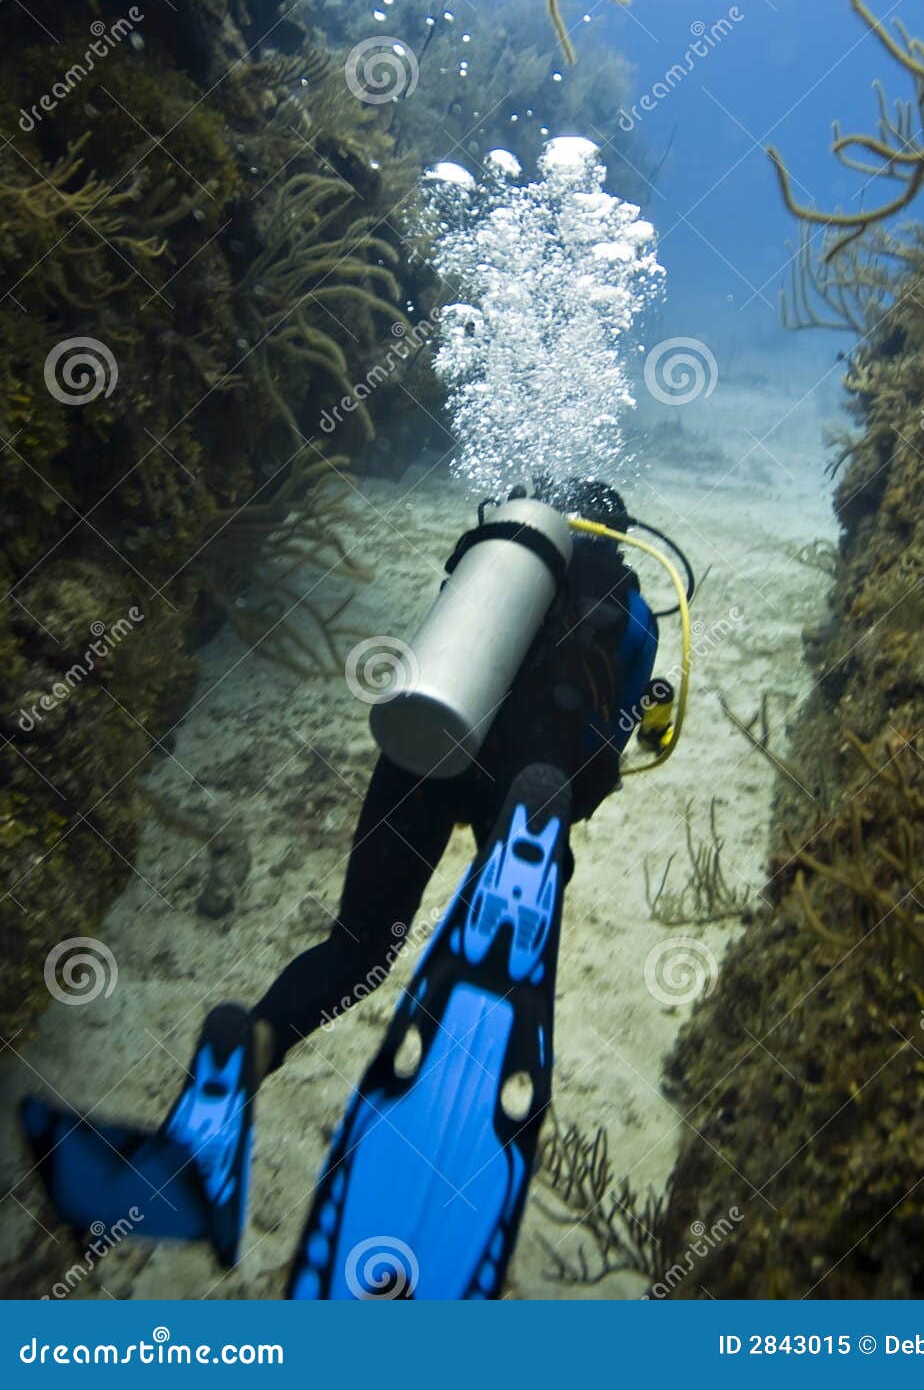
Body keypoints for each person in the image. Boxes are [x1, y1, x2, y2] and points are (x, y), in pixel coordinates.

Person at [21, 481, 660, 1272]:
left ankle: (229, 1080)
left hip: (425, 747)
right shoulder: (628, 607)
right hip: (532, 777)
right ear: (619, 538)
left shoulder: (495, 565)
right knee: (503, 961)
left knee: (357, 953)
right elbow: (623, 732)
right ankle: (438, 1168)